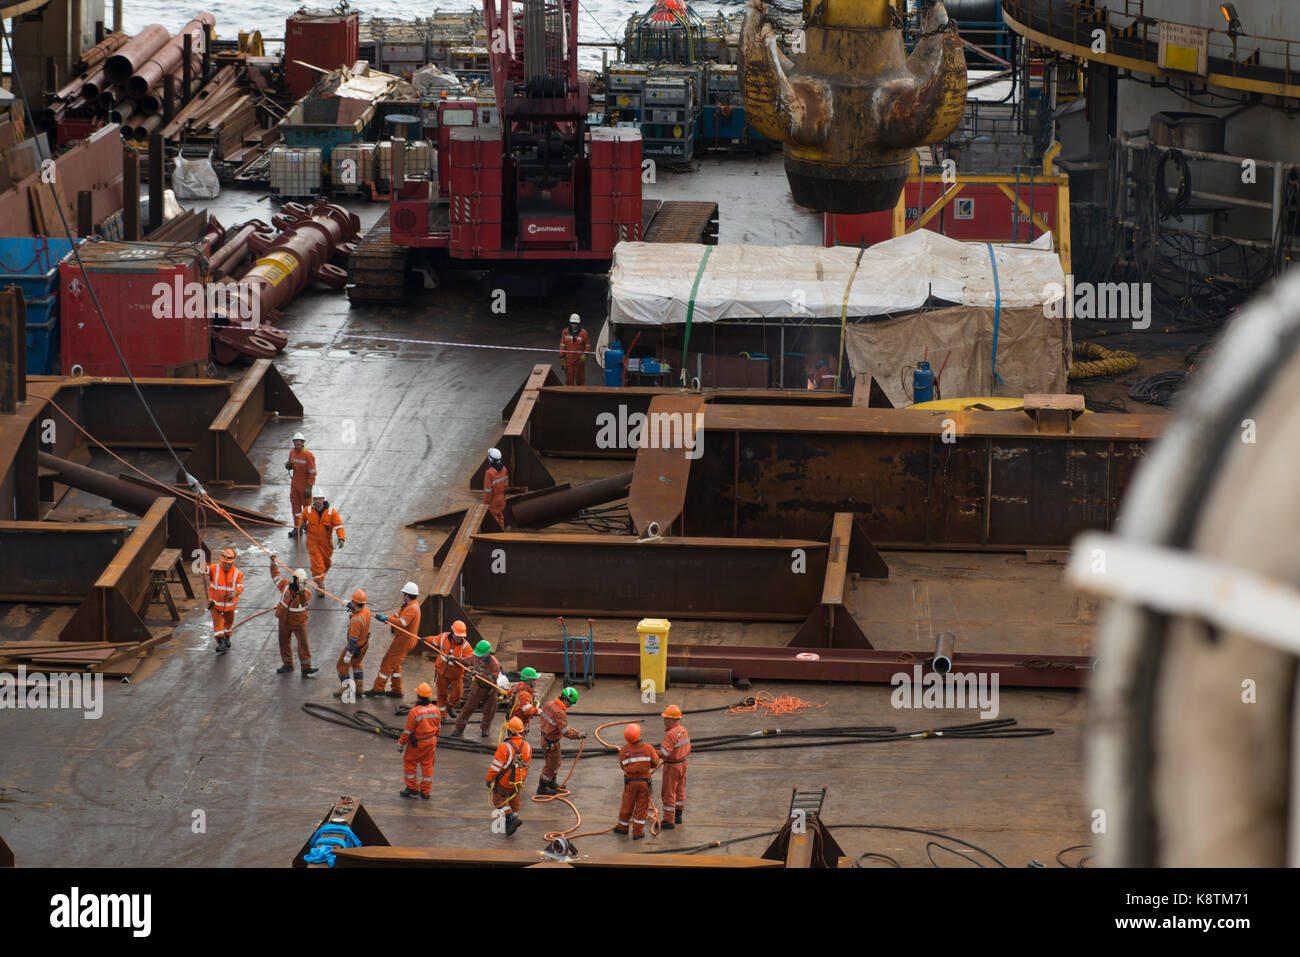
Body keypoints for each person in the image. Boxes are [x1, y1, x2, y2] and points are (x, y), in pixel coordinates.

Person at [367, 581, 421, 699]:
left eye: (404, 594)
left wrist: (387, 619)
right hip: (403, 639)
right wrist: (385, 618)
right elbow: (396, 616)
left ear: (407, 595)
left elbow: (402, 622)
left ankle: (378, 689)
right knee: (395, 664)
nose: (403, 596)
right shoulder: (409, 606)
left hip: (404, 641)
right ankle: (397, 690)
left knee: (388, 662)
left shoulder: (411, 608)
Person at [270, 556, 316, 677]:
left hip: (298, 623)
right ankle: (287, 665)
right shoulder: (286, 585)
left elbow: (304, 602)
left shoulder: (306, 593)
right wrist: (273, 563)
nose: (300, 583)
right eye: (299, 581)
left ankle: (306, 668)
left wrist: (301, 591)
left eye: (303, 582)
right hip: (284, 620)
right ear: (294, 579)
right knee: (283, 643)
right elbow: (276, 577)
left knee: (303, 645)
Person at [615, 723, 661, 840]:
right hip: (644, 783)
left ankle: (622, 828)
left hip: (630, 783)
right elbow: (655, 763)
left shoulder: (623, 750)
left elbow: (623, 766)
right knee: (641, 808)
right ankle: (637, 833)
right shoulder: (648, 748)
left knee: (627, 805)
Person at [536, 686, 584, 795]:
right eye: (570, 703)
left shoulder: (550, 704)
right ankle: (542, 788)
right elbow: (565, 731)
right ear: (566, 699)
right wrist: (578, 735)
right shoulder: (559, 712)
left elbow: (560, 726)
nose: (570, 706)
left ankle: (551, 782)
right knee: (550, 765)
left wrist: (576, 732)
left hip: (547, 738)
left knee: (556, 762)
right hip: (550, 741)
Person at [487, 716, 531, 835]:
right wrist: (520, 778)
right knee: (514, 799)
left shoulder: (504, 746)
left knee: (498, 799)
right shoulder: (526, 746)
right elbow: (525, 765)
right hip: (518, 780)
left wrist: (489, 779)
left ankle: (510, 817)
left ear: (509, 731)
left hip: (505, 781)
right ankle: (512, 820)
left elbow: (496, 767)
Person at [397, 682, 441, 799]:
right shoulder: (436, 709)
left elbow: (407, 731)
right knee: (428, 765)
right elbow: (438, 728)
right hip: (431, 742)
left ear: (418, 696)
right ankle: (426, 792)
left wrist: (401, 743)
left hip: (417, 743)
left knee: (410, 762)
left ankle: (412, 788)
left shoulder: (414, 712)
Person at [297, 486, 345, 593]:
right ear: (313, 500)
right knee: (317, 564)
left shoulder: (331, 512)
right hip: (312, 542)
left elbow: (339, 526)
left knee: (326, 564)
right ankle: (321, 586)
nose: (318, 501)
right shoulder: (308, 510)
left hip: (326, 544)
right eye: (316, 499)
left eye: (320, 499)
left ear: (323, 499)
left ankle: (320, 577)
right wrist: (302, 524)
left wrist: (341, 538)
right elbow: (301, 519)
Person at [451, 640, 500, 738]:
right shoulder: (475, 657)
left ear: (487, 653)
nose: (479, 657)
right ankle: (459, 728)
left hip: (490, 690)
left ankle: (485, 728)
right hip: (478, 687)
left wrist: (480, 675)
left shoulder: (494, 664)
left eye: (481, 655)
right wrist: (455, 660)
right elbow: (465, 661)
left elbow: (492, 679)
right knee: (468, 708)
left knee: (489, 710)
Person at [429, 620, 474, 717]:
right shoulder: (443, 637)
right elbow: (434, 639)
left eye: (461, 636)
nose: (459, 638)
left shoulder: (466, 647)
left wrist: (458, 660)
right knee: (441, 695)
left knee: (457, 695)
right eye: (457, 635)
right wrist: (424, 639)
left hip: (456, 675)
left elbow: (470, 660)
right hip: (442, 672)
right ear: (452, 633)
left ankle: (449, 706)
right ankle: (442, 716)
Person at [657, 705, 691, 828]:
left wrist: (650, 752)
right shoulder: (683, 730)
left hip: (672, 767)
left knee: (669, 792)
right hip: (683, 763)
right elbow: (688, 748)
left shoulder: (670, 734)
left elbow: (664, 753)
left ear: (671, 719)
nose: (664, 720)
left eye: (666, 718)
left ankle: (668, 820)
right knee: (679, 790)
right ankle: (678, 816)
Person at [334, 589, 371, 698]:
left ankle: (346, 687)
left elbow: (353, 640)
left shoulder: (356, 621)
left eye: (352, 602)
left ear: (355, 603)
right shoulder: (366, 610)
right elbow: (357, 609)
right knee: (357, 664)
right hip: (364, 645)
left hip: (355, 648)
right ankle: (359, 688)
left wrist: (349, 654)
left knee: (341, 666)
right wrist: (348, 605)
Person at [207, 548, 243, 655]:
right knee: (218, 622)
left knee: (228, 622)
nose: (226, 565)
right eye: (224, 563)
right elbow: (204, 570)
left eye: (228, 563)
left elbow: (240, 586)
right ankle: (221, 641)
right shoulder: (214, 568)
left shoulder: (237, 573)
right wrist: (200, 560)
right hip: (215, 603)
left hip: (229, 605)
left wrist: (235, 593)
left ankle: (227, 637)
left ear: (232, 562)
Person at [285, 433, 316, 536]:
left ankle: (309, 526)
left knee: (307, 507)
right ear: (293, 442)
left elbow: (312, 472)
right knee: (295, 507)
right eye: (296, 441)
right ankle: (297, 527)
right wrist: (289, 466)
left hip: (304, 485)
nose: (298, 442)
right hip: (295, 484)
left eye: (300, 441)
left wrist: (309, 487)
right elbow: (291, 464)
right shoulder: (292, 452)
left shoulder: (308, 455)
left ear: (303, 443)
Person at [506, 667, 540, 733]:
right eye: (534, 679)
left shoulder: (519, 685)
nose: (536, 682)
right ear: (529, 680)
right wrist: (539, 711)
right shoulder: (525, 695)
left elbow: (508, 694)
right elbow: (528, 711)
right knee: (518, 739)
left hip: (513, 720)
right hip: (519, 722)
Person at [560, 313, 590, 385]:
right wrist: (561, 357)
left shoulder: (583, 333)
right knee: (569, 379)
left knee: (580, 379)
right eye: (572, 323)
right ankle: (570, 391)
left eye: (575, 323)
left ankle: (580, 391)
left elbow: (587, 345)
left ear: (578, 324)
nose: (574, 325)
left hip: (579, 360)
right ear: (570, 323)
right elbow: (562, 345)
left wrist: (585, 355)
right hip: (568, 360)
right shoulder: (565, 332)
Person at [483, 448, 508, 530]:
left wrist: (486, 503)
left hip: (493, 500)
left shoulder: (489, 473)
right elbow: (506, 485)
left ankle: (495, 534)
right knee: (500, 517)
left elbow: (488, 491)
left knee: (493, 520)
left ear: (490, 459)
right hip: (502, 498)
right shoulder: (504, 469)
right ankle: (501, 534)